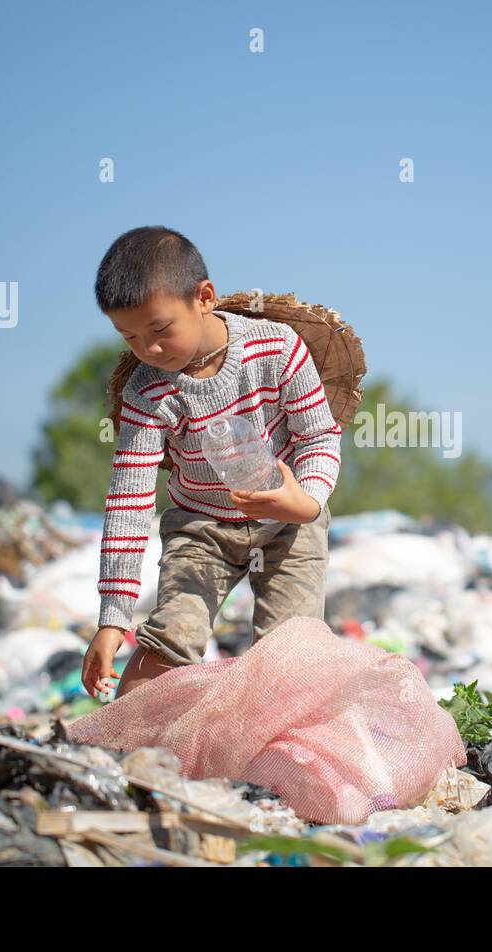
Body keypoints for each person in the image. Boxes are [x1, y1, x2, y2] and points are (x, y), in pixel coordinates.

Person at [80, 226, 341, 699]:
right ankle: (128, 753)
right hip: (200, 529)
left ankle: (279, 760)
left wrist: (305, 502)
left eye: (160, 330)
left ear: (204, 298)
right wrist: (113, 618)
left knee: (292, 658)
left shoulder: (277, 349)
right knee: (168, 642)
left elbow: (320, 437)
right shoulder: (146, 393)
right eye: (130, 337)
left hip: (289, 524)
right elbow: (129, 503)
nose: (149, 350)